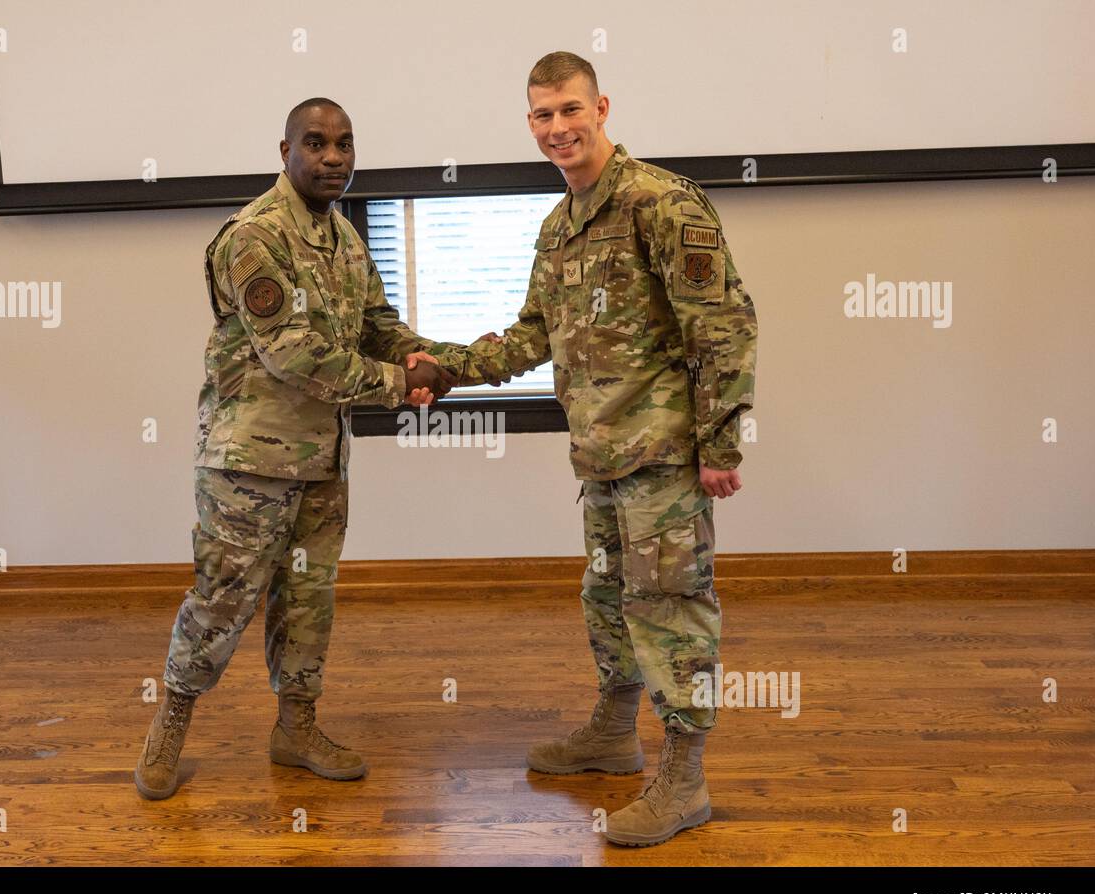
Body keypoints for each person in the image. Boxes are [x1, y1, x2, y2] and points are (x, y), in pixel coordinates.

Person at [136, 97, 475, 798]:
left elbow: (378, 326)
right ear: (285, 151)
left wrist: (440, 359)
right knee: (223, 600)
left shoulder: (343, 237)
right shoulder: (255, 237)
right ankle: (170, 722)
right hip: (249, 464)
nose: (333, 157)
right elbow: (292, 353)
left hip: (322, 460)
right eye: (316, 143)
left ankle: (296, 727)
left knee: (307, 598)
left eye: (345, 144)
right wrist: (400, 382)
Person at [461, 52, 758, 846]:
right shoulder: (559, 227)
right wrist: (442, 367)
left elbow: (724, 327)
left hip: (662, 455)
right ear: (530, 124)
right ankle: (614, 733)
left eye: (570, 109)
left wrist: (720, 445)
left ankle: (685, 779)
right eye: (543, 114)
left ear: (601, 109)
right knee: (606, 598)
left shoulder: (660, 202)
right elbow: (531, 335)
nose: (558, 127)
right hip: (600, 457)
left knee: (671, 609)